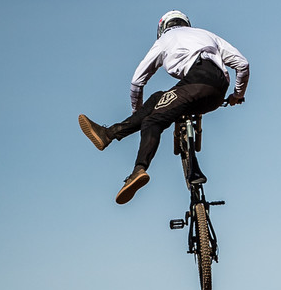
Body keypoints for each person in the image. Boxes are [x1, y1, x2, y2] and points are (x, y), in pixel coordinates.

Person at [78, 11, 249, 204]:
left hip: (196, 82)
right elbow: (243, 64)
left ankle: (138, 170)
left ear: (162, 28)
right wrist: (237, 95)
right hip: (216, 93)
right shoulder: (207, 34)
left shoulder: (165, 40)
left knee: (153, 121)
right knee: (157, 98)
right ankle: (109, 134)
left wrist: (139, 115)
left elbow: (137, 82)